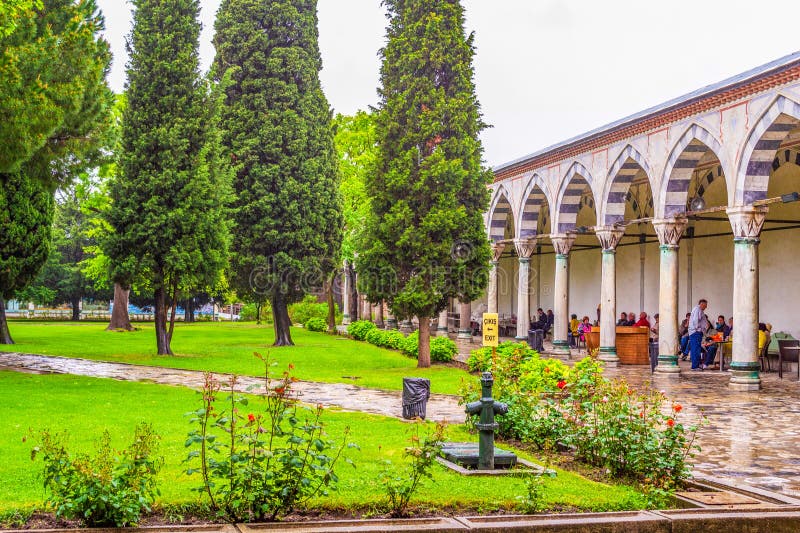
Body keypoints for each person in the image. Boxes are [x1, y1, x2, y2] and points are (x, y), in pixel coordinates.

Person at [688, 299, 709, 370]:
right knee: (695, 349)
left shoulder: (699, 310)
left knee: (697, 349)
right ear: (702, 304)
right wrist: (698, 329)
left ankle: (697, 364)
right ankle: (695, 366)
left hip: (696, 332)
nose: (706, 307)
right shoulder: (697, 309)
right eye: (705, 305)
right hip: (695, 332)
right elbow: (695, 320)